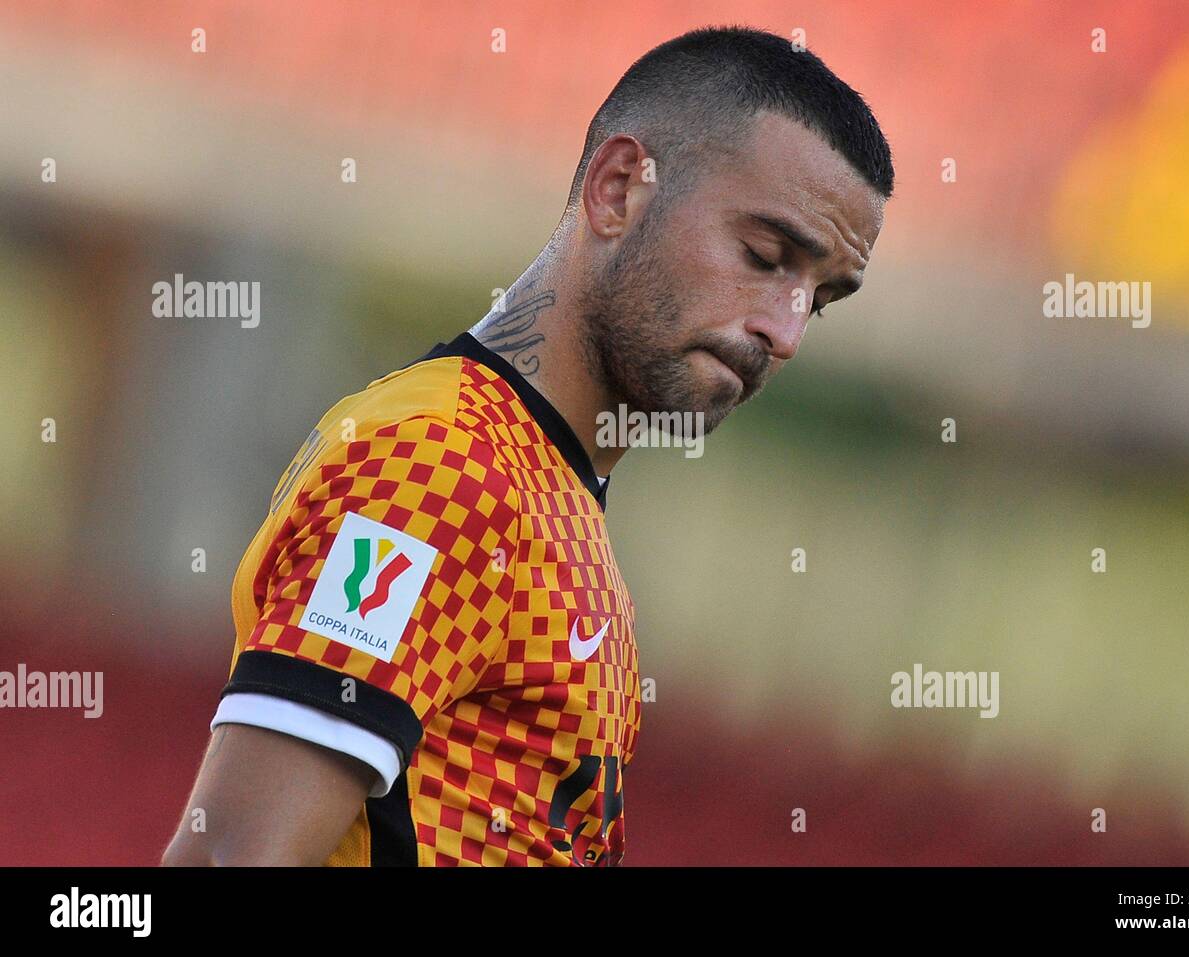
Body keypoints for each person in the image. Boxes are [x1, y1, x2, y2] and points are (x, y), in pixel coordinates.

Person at [162, 24, 893, 867]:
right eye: (765, 257)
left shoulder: (551, 493)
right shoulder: (441, 463)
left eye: (821, 299)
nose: (787, 330)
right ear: (618, 188)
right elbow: (230, 859)